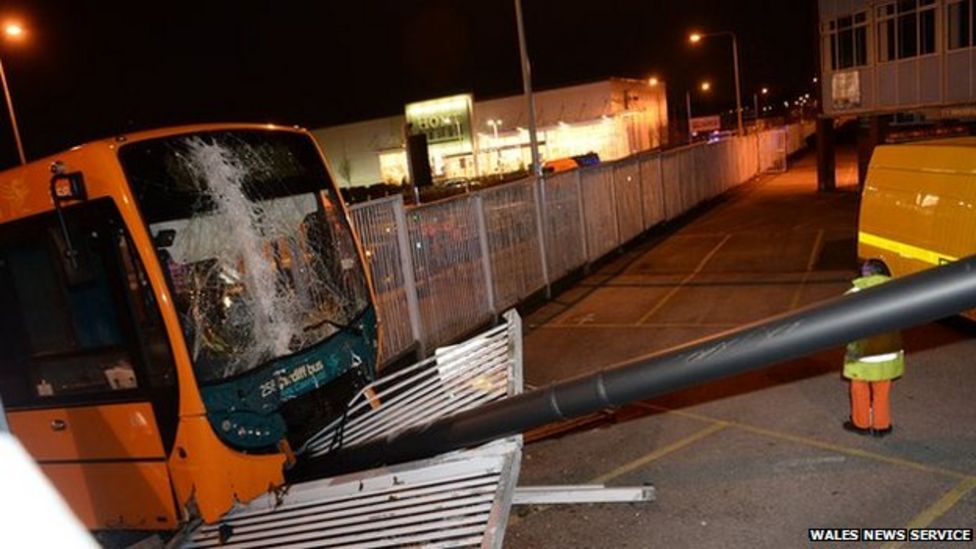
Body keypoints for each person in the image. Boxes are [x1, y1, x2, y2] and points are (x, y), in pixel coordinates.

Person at [842, 261, 904, 437]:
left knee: (859, 389)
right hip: (889, 351)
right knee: (881, 391)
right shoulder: (898, 291)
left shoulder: (853, 294)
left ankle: (861, 423)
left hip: (863, 353)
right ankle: (881, 426)